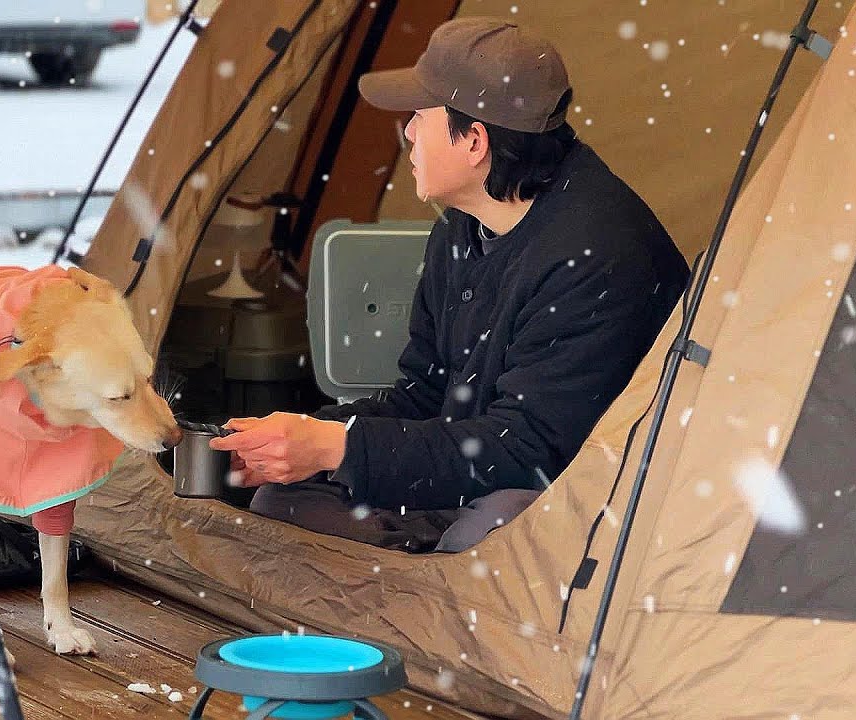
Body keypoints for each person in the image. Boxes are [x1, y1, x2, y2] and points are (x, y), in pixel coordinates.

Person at [208, 18, 690, 553]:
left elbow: (529, 449)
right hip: (471, 475)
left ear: (475, 142)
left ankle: (418, 599)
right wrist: (297, 438)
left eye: (419, 116)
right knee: (286, 498)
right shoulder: (464, 226)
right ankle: (408, 591)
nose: (408, 133)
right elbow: (426, 395)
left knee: (492, 536)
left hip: (577, 506)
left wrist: (340, 449)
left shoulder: (598, 257)